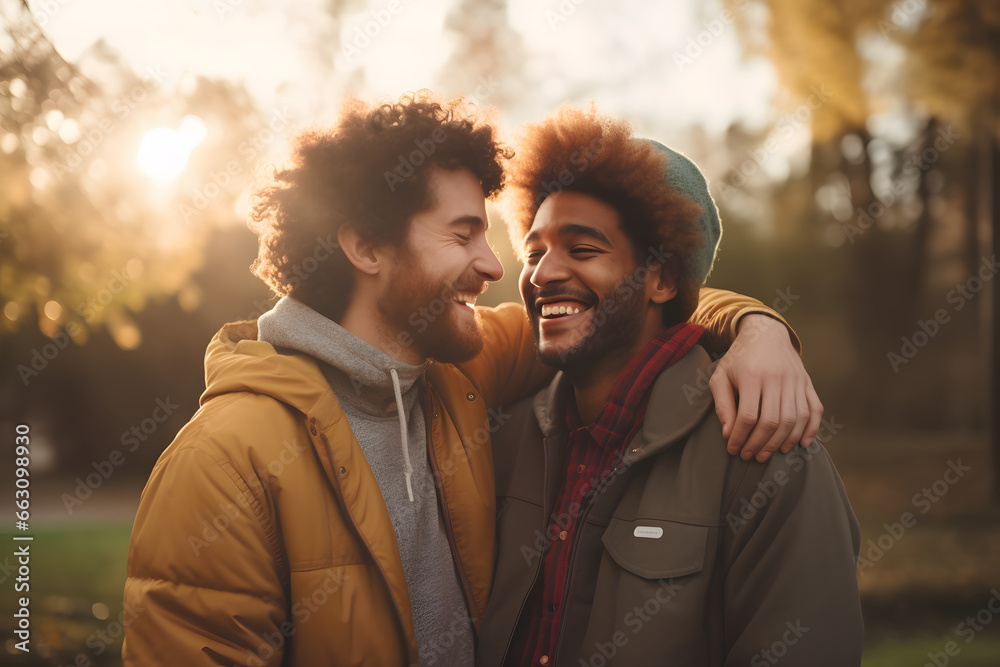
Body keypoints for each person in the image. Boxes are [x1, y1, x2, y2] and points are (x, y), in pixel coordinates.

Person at [122, 92, 822, 667]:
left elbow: (634, 309)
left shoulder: (461, 372)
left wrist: (760, 329)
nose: (501, 270)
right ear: (365, 245)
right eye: (463, 235)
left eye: (491, 238)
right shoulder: (221, 459)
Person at [477, 106, 863, 666]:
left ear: (660, 278)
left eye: (582, 250)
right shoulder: (499, 438)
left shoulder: (767, 456)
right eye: (533, 252)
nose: (540, 275)